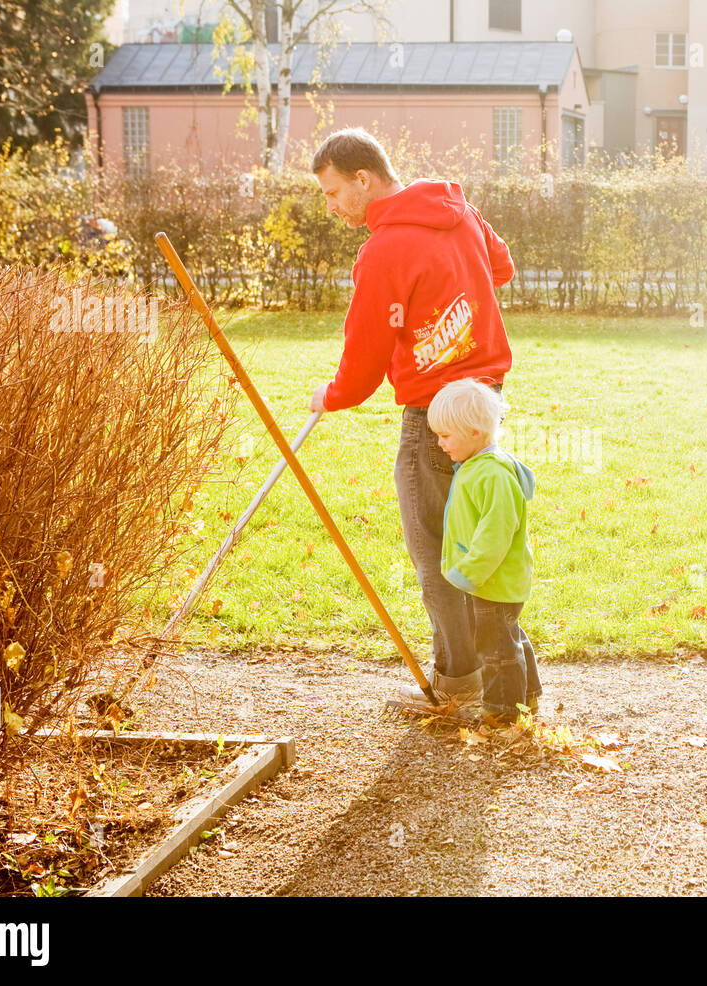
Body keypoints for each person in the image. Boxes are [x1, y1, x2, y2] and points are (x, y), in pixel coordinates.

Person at [307, 127, 517, 707]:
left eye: (331, 193)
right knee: (480, 538)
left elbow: (365, 357)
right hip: (486, 401)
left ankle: (457, 684)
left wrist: (332, 395)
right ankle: (502, 678)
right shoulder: (459, 208)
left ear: (363, 180)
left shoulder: (382, 251)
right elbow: (501, 268)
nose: (331, 207)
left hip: (434, 421)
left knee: (436, 551)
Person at [427, 378, 541, 722]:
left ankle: (502, 714)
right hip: (494, 579)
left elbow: (495, 534)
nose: (439, 442)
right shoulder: (477, 465)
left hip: (493, 579)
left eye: (446, 436)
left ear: (475, 433)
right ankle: (528, 697)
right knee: (508, 637)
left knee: (496, 649)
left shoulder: (492, 474)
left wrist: (469, 572)